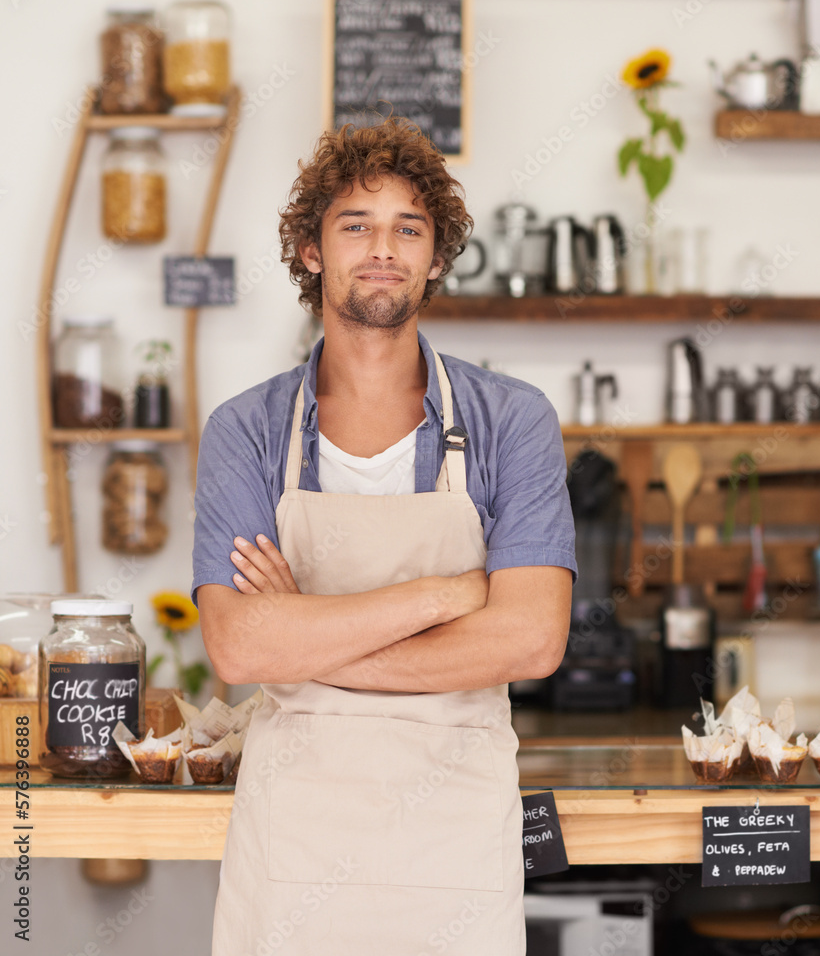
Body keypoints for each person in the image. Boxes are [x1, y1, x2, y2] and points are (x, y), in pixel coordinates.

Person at [192, 117, 577, 955]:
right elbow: (238, 648)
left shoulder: (512, 422)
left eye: (409, 228)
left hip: (456, 839)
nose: (383, 248)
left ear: (436, 258)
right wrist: (445, 597)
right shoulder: (245, 431)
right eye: (355, 225)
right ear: (310, 251)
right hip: (294, 838)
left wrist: (306, 636)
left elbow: (534, 639)